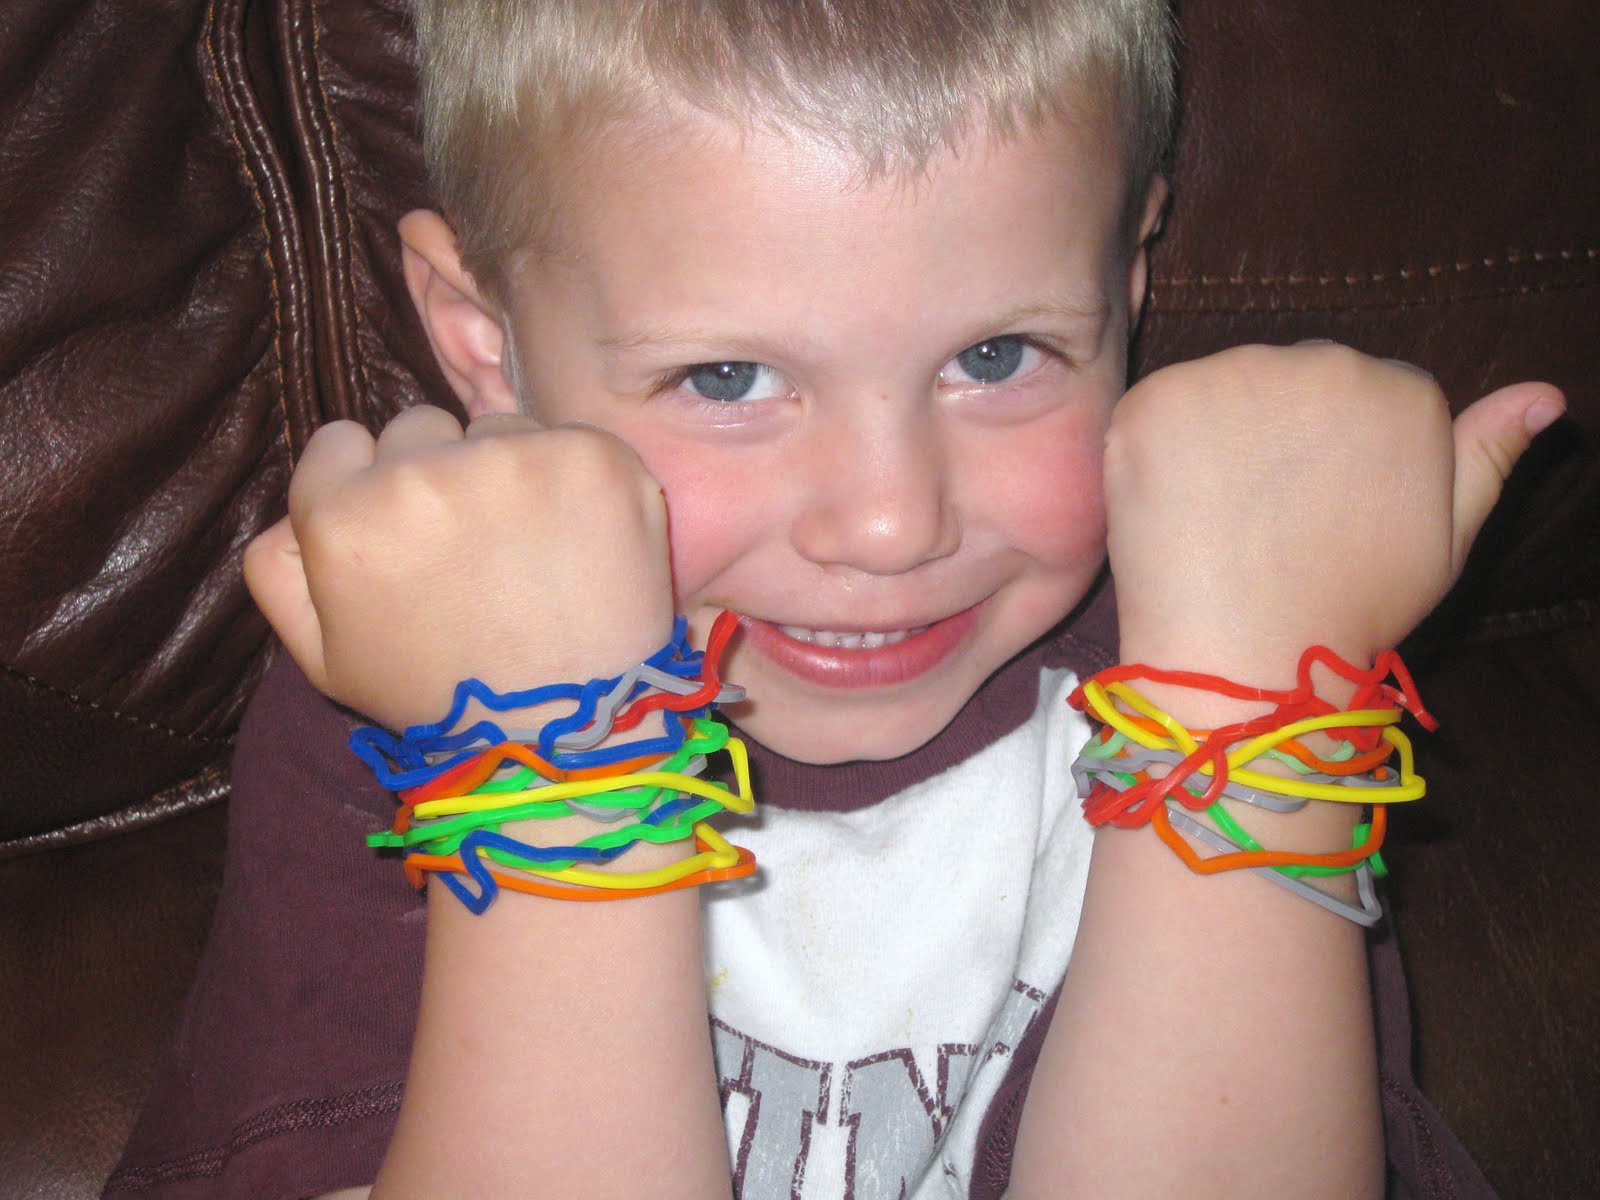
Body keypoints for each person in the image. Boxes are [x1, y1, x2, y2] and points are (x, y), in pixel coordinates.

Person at [105, 1, 1564, 1197]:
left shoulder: (1224, 665)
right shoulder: (411, 707)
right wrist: (549, 770)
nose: (889, 521)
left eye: (998, 357)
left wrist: (1255, 687)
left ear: (1129, 286)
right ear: (481, 339)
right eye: (729, 378)